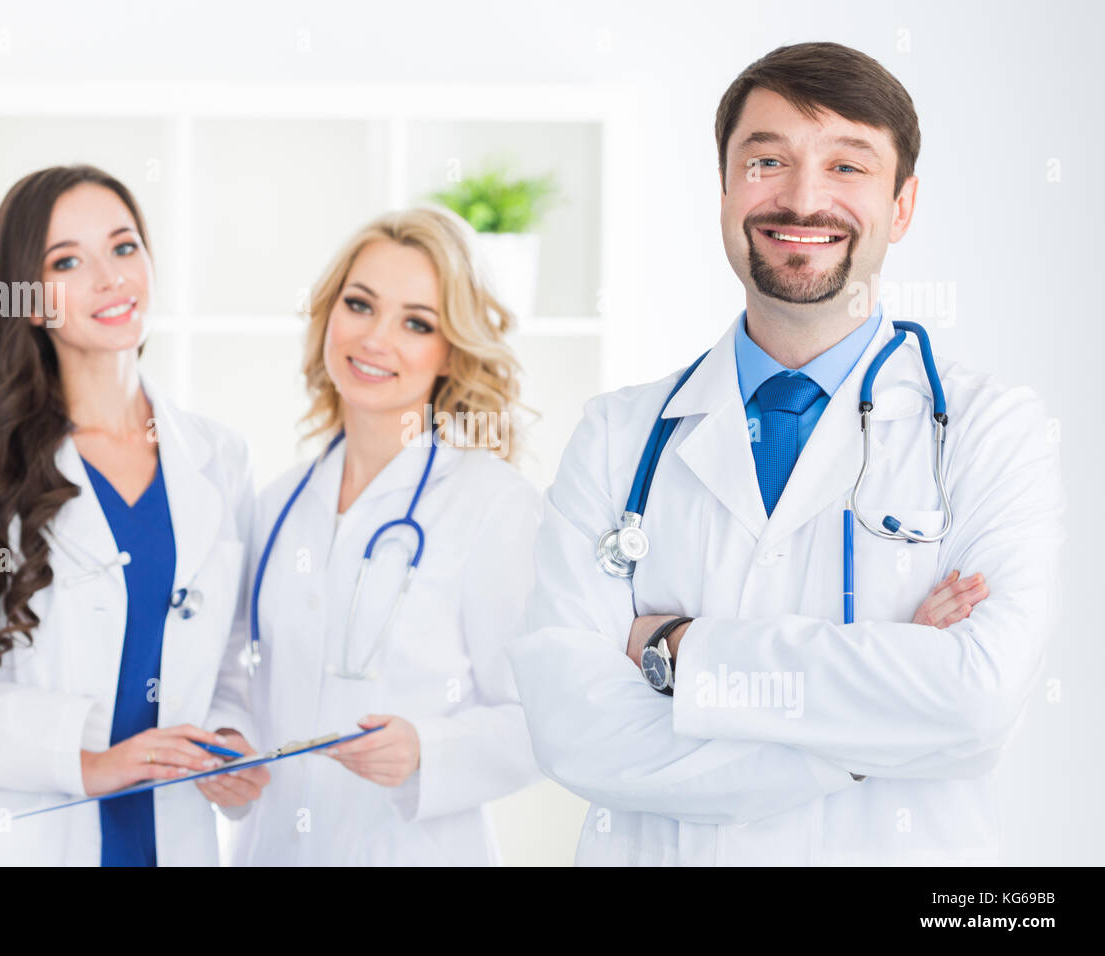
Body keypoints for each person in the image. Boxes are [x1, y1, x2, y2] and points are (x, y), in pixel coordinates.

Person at [508, 42, 1064, 865]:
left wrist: (679, 651)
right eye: (767, 160)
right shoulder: (618, 436)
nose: (804, 198)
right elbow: (573, 729)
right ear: (727, 189)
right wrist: (872, 733)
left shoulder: (994, 431)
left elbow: (977, 700)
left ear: (902, 206)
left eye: (848, 165)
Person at [0, 164, 269, 866]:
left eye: (123, 247)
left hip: (169, 839)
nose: (111, 279)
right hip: (22, 840)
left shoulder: (218, 458)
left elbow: (232, 661)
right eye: (67, 262)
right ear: (27, 299)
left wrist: (229, 743)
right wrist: (87, 760)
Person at [227, 206, 542, 865]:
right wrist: (229, 739)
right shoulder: (275, 503)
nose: (376, 339)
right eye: (360, 305)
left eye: (417, 322)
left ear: (450, 350)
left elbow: (541, 717)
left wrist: (428, 750)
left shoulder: (491, 504)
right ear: (328, 315)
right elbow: (238, 671)